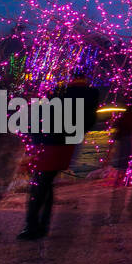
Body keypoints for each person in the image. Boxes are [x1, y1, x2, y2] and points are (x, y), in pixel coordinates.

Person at [19, 74, 99, 241]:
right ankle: (39, 225)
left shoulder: (66, 96)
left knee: (40, 184)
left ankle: (33, 227)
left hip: (51, 144)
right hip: (60, 145)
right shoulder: (85, 98)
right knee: (44, 183)